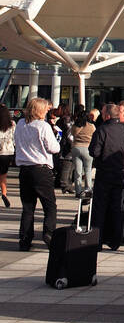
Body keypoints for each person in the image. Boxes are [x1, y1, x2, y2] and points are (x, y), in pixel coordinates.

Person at [89, 101, 124, 251]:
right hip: (121, 171)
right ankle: (116, 239)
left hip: (105, 172)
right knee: (117, 206)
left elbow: (95, 151)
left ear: (106, 115)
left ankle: (98, 239)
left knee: (100, 207)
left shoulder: (102, 130)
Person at [14, 97, 60, 251]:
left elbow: (17, 142)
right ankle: (49, 233)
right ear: (40, 110)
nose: (48, 111)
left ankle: (25, 238)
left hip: (24, 168)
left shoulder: (21, 124)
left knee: (28, 207)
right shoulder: (43, 126)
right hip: (40, 168)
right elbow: (54, 148)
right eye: (46, 108)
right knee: (49, 205)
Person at [70, 106, 97, 201]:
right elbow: (95, 136)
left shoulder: (75, 126)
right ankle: (88, 189)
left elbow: (72, 134)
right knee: (88, 170)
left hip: (76, 147)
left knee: (78, 171)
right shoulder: (92, 126)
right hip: (87, 148)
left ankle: (78, 191)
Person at [0, 102, 15, 207]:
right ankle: (4, 193)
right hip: (8, 152)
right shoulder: (12, 124)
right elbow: (15, 138)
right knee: (3, 175)